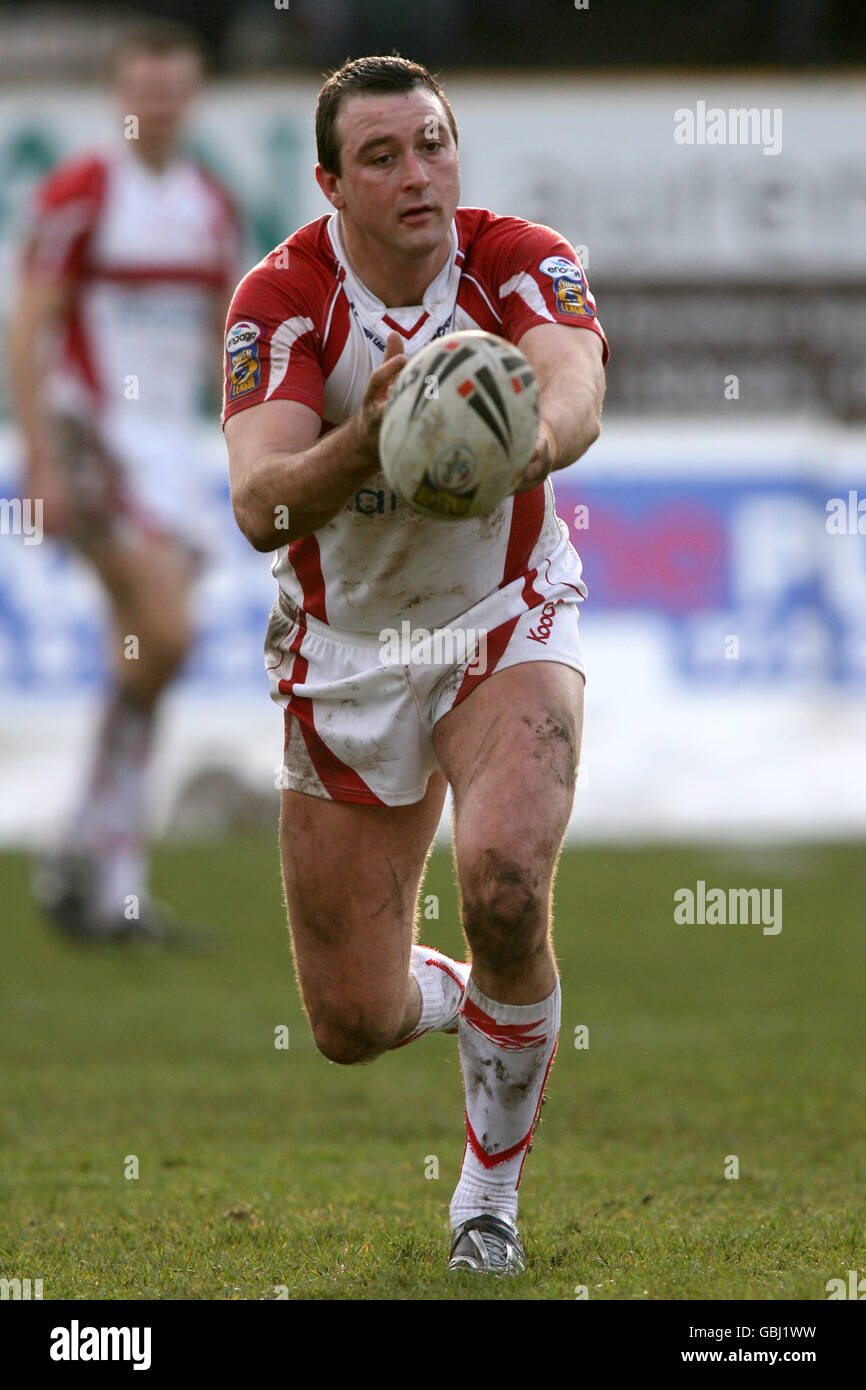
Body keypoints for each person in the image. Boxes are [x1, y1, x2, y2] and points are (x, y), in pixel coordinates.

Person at [223, 55, 607, 1271]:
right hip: (345, 654)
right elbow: (260, 504)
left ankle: (485, 1200)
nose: (417, 173)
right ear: (331, 181)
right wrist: (376, 431)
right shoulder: (279, 300)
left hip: (504, 614)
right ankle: (451, 994)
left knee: (502, 880)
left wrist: (502, 439)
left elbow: (576, 394)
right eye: (381, 156)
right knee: (350, 1020)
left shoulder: (514, 258)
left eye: (433, 144)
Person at [8, 21, 240, 945]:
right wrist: (40, 460)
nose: (159, 104)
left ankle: (105, 878)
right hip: (90, 437)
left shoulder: (209, 205)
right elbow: (27, 327)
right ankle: (90, 852)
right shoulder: (84, 190)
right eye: (144, 87)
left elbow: (236, 335)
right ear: (119, 96)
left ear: (194, 97)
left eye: (175, 88)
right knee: (166, 633)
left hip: (171, 453)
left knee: (148, 656)